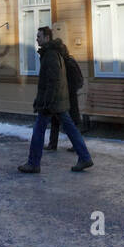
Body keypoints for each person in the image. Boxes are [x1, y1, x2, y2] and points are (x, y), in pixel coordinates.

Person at [19, 26, 93, 174]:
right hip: (57, 101)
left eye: (39, 36)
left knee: (38, 131)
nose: (36, 39)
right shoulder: (52, 53)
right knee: (70, 129)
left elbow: (53, 81)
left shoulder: (51, 55)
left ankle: (33, 163)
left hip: (51, 102)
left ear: (47, 38)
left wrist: (46, 102)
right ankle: (84, 157)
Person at [46, 41, 84, 152]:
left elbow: (76, 81)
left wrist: (67, 92)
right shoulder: (63, 62)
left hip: (68, 97)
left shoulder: (68, 63)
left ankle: (77, 145)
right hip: (62, 96)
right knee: (56, 120)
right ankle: (53, 144)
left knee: (70, 122)